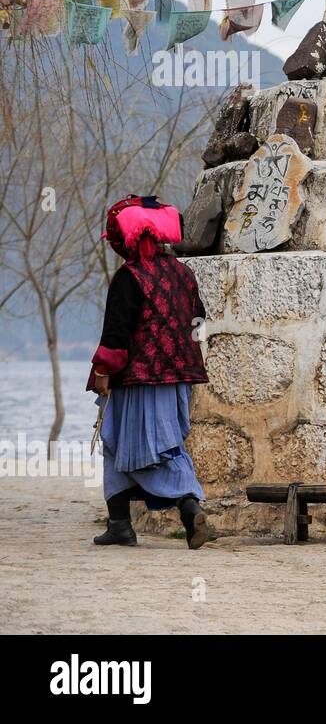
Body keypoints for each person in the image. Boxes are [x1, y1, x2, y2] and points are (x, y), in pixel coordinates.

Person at [87, 196, 211, 550]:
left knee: (137, 445)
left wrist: (103, 370)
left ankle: (189, 505)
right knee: (160, 442)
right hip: (177, 378)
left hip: (136, 380)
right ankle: (120, 525)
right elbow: (198, 320)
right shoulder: (182, 273)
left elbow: (116, 331)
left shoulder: (130, 277)